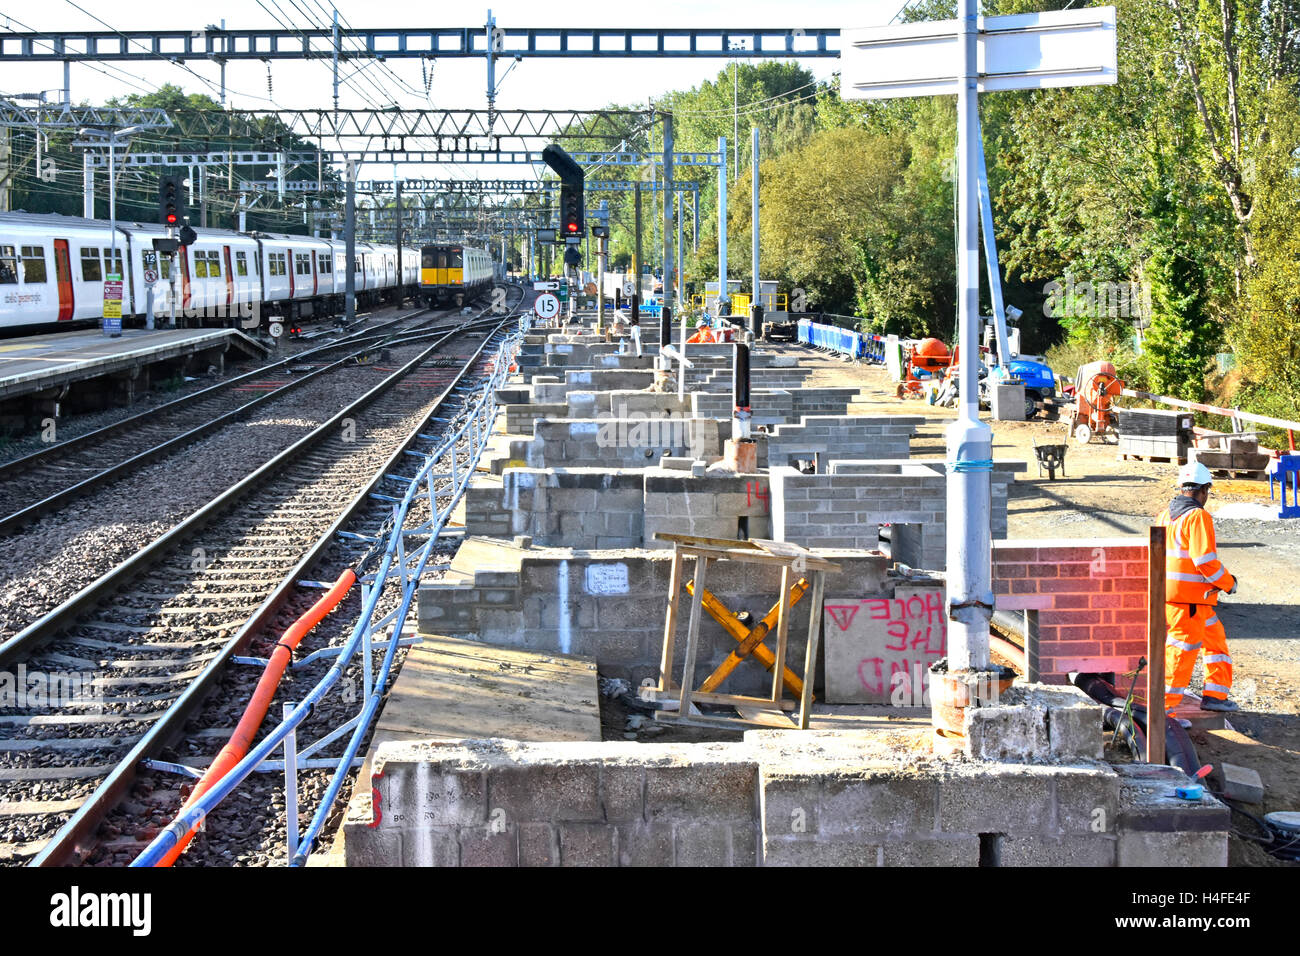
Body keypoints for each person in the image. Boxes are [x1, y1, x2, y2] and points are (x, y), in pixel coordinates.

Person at [1157, 462, 1239, 715]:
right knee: (1182, 651)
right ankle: (1164, 712)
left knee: (1215, 642)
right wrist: (1228, 583)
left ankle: (1215, 695)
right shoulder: (1197, 516)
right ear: (1203, 490)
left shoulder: (1165, 515)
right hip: (1189, 601)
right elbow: (1204, 561)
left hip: (1177, 599)